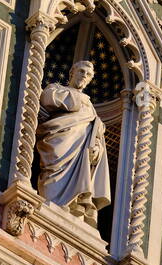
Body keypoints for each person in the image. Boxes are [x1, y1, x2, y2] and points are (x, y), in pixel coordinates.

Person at [35, 60, 110, 224]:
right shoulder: (56, 89)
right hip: (57, 143)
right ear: (72, 73)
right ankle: (51, 199)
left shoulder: (91, 108)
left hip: (80, 154)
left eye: (88, 74)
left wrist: (97, 150)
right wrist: (77, 99)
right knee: (51, 177)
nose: (84, 76)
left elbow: (96, 135)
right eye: (81, 71)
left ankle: (73, 205)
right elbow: (46, 99)